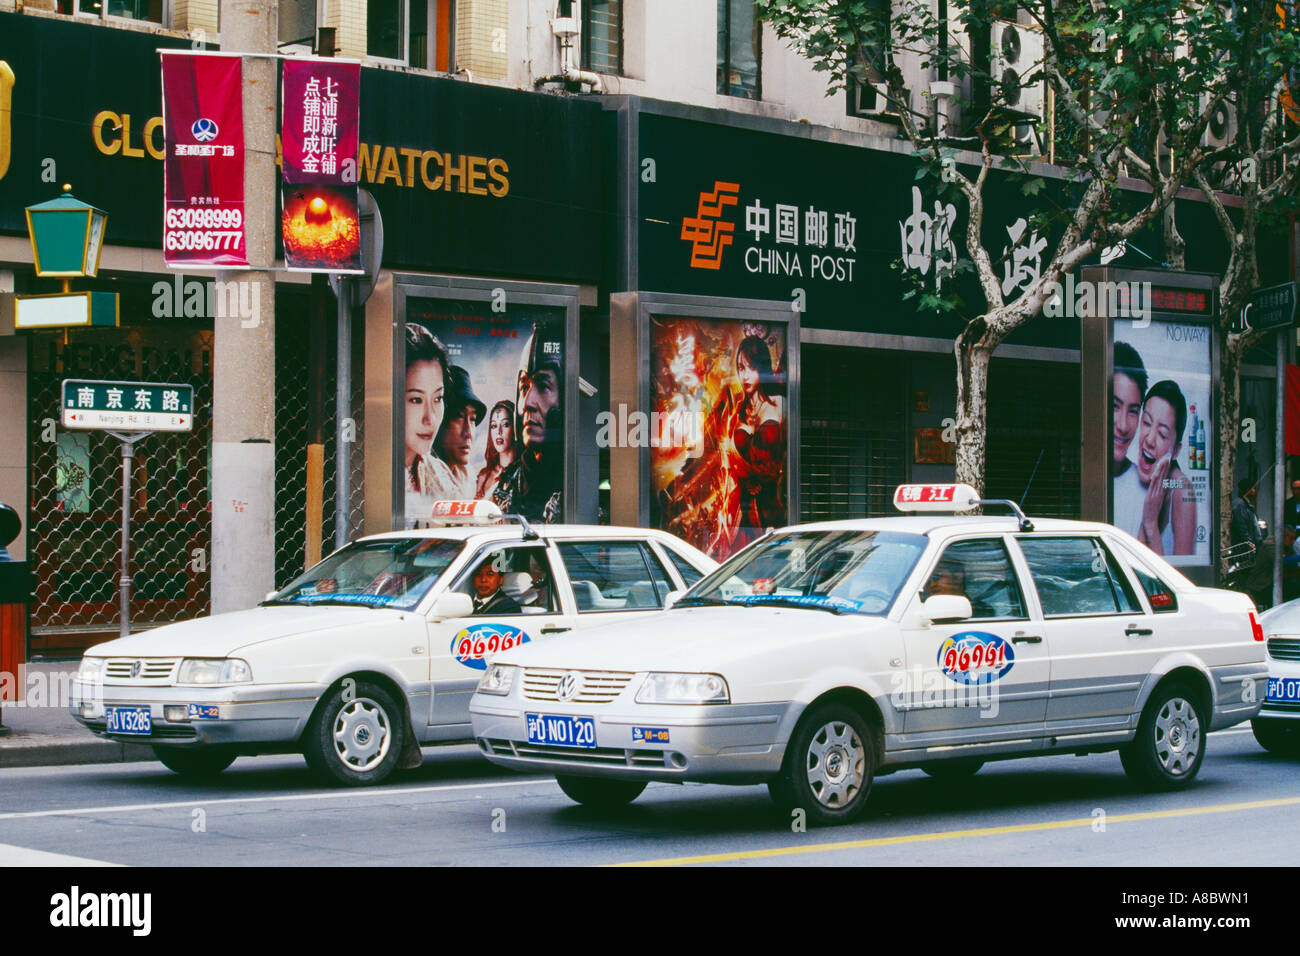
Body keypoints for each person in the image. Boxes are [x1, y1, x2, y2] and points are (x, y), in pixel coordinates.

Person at [493, 320, 564, 522]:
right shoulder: (507, 484)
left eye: (543, 386)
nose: (527, 403)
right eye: (524, 387)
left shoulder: (578, 486)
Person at [1127, 380, 1197, 556]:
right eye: (1147, 423)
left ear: (1176, 451)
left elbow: (1181, 577)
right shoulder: (1129, 476)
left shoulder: (1182, 490)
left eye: (1162, 434)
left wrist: (1150, 523)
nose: (1149, 440)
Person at [403, 323, 450, 520]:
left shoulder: (442, 476)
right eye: (416, 400)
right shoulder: (368, 474)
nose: (429, 418)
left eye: (437, 398)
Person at [426, 365, 486, 501]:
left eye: (473, 419)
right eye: (458, 416)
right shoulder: (420, 478)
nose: (468, 433)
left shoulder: (468, 479)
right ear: (440, 419)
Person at [475, 400, 518, 500]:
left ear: (515, 429)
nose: (498, 432)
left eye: (505, 424)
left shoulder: (522, 473)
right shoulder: (484, 476)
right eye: (494, 426)